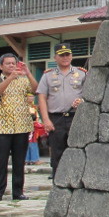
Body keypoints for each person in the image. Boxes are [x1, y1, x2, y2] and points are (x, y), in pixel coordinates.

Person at [0, 54, 38, 201]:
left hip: (22, 126)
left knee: (19, 161)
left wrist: (28, 73)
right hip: (3, 127)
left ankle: (18, 192)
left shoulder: (23, 81)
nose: (11, 65)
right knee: (1, 161)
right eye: (8, 63)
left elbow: (36, 90)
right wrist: (10, 78)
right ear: (1, 66)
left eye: (13, 63)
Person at [37, 43, 86, 178]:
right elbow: (41, 97)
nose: (65, 57)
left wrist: (82, 101)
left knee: (76, 150)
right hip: (56, 119)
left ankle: (76, 182)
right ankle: (58, 185)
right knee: (57, 153)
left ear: (71, 56)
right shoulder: (48, 75)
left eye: (67, 54)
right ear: (55, 57)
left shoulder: (81, 73)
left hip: (76, 117)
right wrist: (45, 120)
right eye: (61, 55)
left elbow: (89, 94)